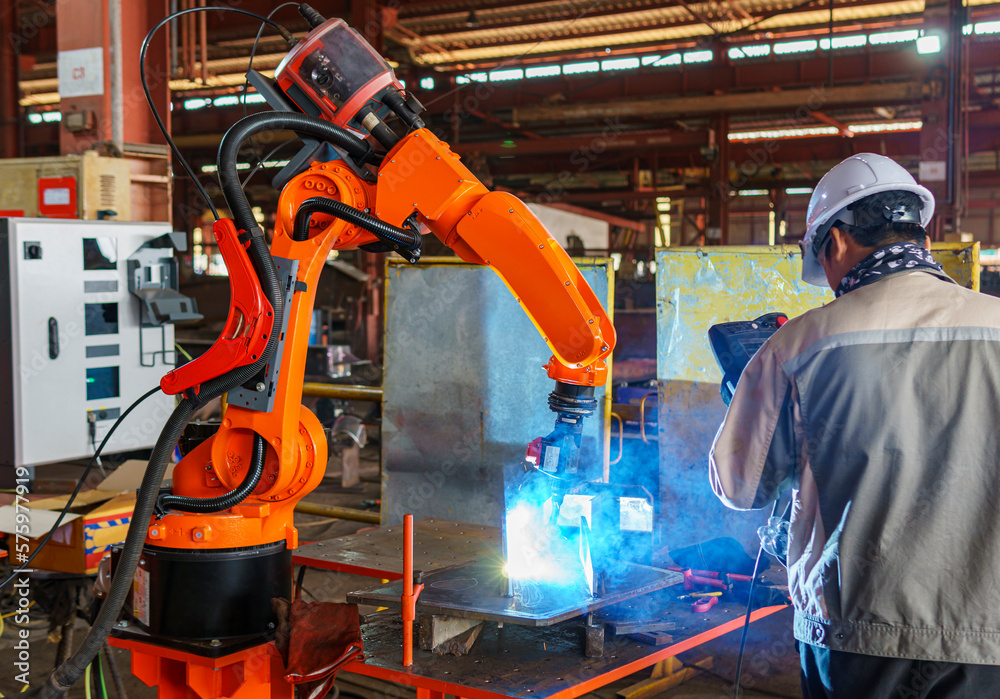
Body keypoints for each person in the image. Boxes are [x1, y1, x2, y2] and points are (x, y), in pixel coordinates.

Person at [708, 153, 1000, 698]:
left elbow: (740, 487)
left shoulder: (797, 345)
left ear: (837, 242)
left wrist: (745, 405)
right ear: (922, 237)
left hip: (856, 637)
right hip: (988, 639)